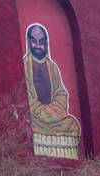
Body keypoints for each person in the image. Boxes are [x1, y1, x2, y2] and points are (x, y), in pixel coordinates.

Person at [23, 23, 81, 158]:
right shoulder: (25, 65)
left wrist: (52, 112)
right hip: (36, 119)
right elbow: (25, 94)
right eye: (34, 41)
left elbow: (61, 93)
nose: (38, 46)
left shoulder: (53, 67)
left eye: (42, 42)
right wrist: (41, 112)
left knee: (73, 126)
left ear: (46, 44)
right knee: (26, 127)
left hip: (56, 120)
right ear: (29, 43)